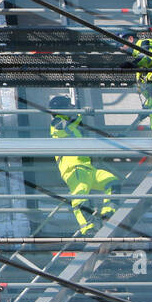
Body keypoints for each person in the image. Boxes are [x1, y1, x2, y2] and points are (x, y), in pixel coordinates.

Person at [47, 94, 117, 236]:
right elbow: (68, 125)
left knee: (112, 182)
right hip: (75, 169)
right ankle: (88, 228)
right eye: (68, 105)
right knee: (80, 196)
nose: (72, 107)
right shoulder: (56, 124)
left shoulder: (73, 126)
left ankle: (107, 213)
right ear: (61, 109)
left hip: (88, 168)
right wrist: (81, 113)